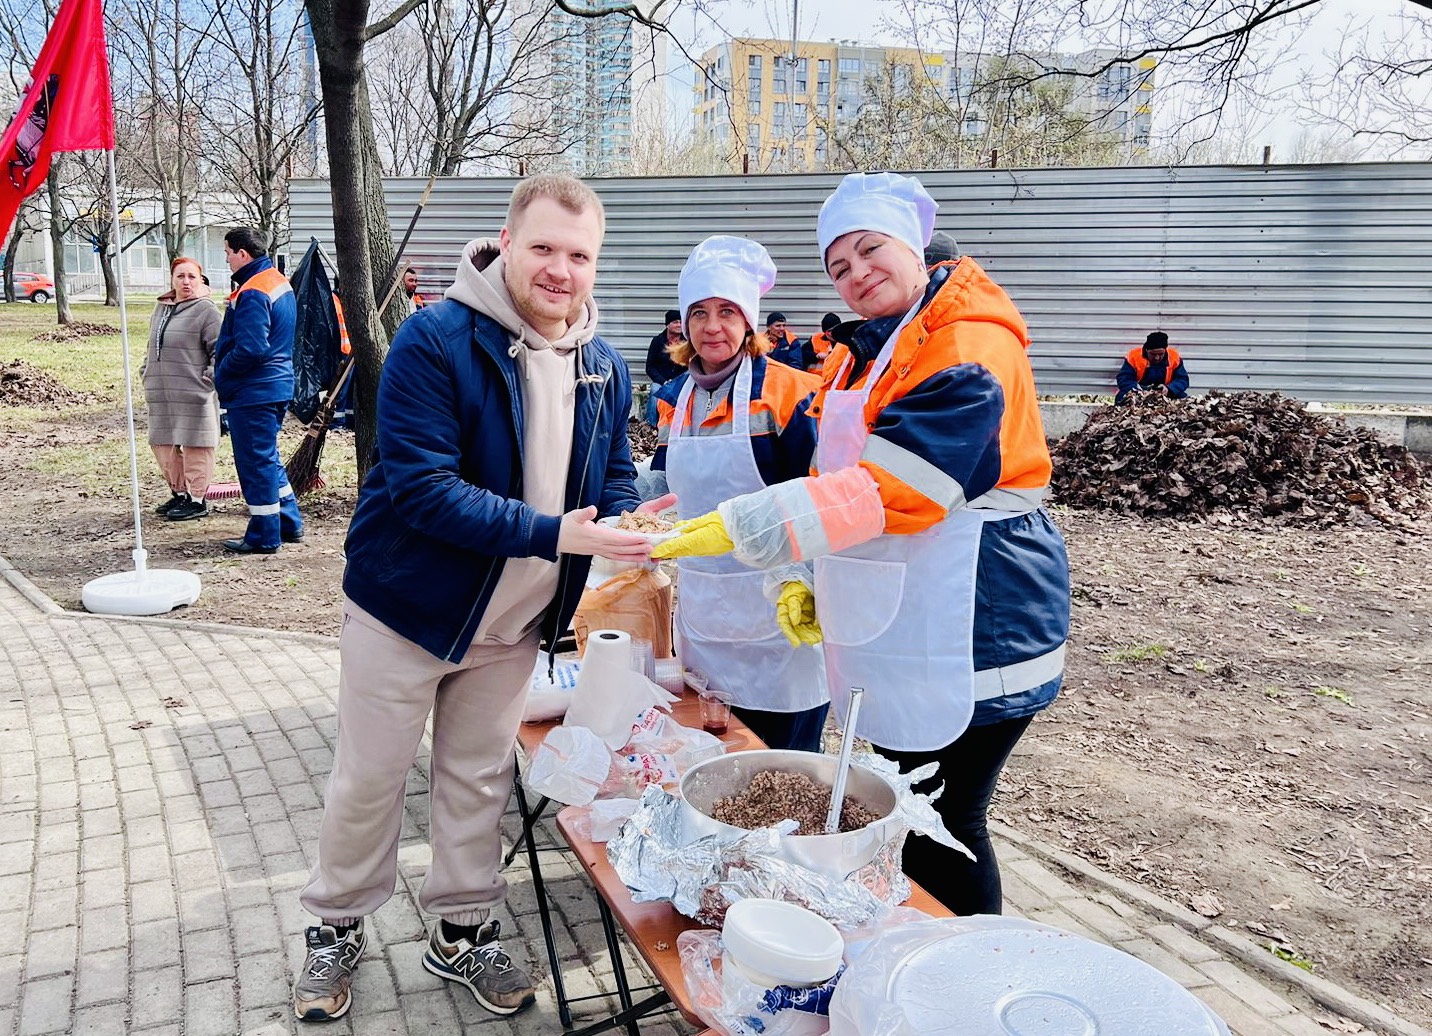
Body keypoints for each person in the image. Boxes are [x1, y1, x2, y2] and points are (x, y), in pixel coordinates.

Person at [291, 174, 672, 1023]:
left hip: (512, 625)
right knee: (370, 779)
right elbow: (422, 489)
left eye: (579, 256)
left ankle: (462, 929)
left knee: (478, 781)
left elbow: (608, 476)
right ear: (506, 242)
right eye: (542, 247)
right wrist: (561, 535)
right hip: (408, 610)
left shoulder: (604, 365)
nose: (560, 271)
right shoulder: (434, 340)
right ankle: (335, 926)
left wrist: (627, 519)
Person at [652, 172, 1071, 917]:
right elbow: (838, 481)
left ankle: (968, 972)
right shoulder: (866, 352)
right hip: (915, 620)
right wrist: (817, 577)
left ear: (911, 247)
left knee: (947, 824)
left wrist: (750, 526)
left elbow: (900, 488)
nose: (856, 274)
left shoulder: (967, 344)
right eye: (838, 266)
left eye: (870, 250)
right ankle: (928, 960)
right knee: (914, 811)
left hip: (983, 623)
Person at [646, 236, 828, 751]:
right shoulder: (670, 401)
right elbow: (666, 488)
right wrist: (634, 515)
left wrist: (803, 581)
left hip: (780, 613)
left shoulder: (792, 392)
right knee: (717, 763)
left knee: (786, 771)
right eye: (699, 312)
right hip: (706, 617)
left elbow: (822, 498)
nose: (712, 327)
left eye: (727, 311)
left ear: (748, 321)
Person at [214, 226, 303, 554]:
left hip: (254, 390)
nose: (226, 260)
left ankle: (265, 535)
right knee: (267, 458)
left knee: (255, 463)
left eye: (227, 253)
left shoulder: (252, 291)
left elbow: (251, 348)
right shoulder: (278, 282)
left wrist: (222, 373)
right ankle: (288, 522)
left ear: (242, 253)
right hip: (274, 386)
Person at [145, 257, 222, 521]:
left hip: (194, 393)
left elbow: (219, 352)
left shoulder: (206, 311)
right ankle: (180, 493)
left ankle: (197, 499)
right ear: (172, 279)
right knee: (162, 443)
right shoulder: (162, 308)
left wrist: (206, 382)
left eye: (191, 276)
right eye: (180, 276)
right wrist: (146, 372)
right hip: (161, 392)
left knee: (196, 446)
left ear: (201, 279)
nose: (186, 282)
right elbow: (151, 345)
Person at [1116, 330, 1189, 404]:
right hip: (1138, 393)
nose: (1157, 358)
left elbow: (1182, 379)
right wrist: (1139, 390)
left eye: (1161, 354)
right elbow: (1124, 379)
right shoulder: (1134, 356)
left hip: (1165, 394)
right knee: (1122, 398)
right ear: (1147, 350)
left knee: (1185, 400)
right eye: (1153, 354)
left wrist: (1169, 389)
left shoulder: (1174, 357)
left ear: (1165, 350)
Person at [644, 308, 685, 423]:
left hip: (680, 381)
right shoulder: (657, 341)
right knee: (655, 390)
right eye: (675, 322)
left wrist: (678, 381)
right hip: (662, 381)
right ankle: (651, 425)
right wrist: (663, 381)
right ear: (667, 325)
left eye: (681, 322)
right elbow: (650, 367)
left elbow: (691, 367)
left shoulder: (687, 343)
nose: (679, 325)